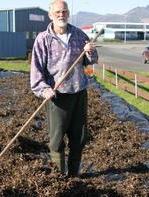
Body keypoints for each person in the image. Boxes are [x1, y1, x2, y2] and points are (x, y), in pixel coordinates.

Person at [30, 0, 98, 177]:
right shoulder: (43, 39)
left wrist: (90, 51)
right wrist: (45, 90)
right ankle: (60, 176)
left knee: (79, 137)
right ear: (50, 15)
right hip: (57, 96)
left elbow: (91, 60)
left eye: (64, 12)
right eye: (58, 12)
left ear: (68, 13)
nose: (61, 15)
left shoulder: (78, 34)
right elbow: (36, 72)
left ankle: (74, 175)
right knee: (56, 140)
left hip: (79, 92)